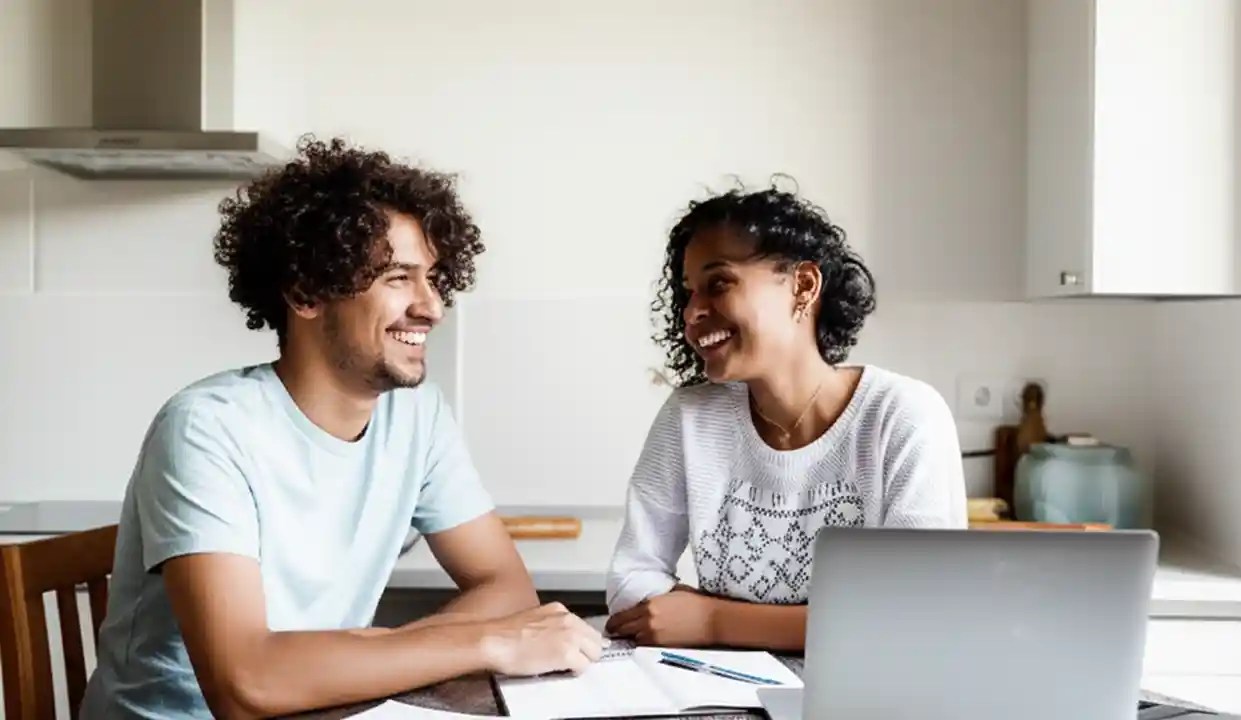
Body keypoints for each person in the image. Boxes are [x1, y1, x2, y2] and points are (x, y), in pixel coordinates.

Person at [81, 137, 603, 720]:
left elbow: (507, 589)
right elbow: (246, 684)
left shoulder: (418, 416)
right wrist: (485, 641)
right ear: (306, 291)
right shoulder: (206, 428)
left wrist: (369, 651)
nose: (431, 307)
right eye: (399, 278)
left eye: (433, 278)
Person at [604, 180, 967, 651]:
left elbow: (920, 617)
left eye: (718, 284)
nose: (692, 312)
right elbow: (630, 581)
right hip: (718, 695)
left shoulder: (902, 417)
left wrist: (715, 622)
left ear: (804, 285)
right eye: (688, 293)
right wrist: (831, 627)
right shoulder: (690, 419)